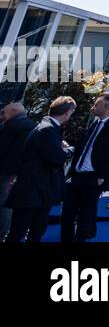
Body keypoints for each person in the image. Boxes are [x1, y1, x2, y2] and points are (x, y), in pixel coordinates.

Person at [57, 92, 109, 242]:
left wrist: (103, 177)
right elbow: (84, 148)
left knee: (85, 215)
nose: (92, 107)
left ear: (107, 107)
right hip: (77, 175)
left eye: (96, 104)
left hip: (94, 178)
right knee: (67, 213)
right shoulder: (95, 123)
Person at [4, 96, 76, 243]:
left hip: (37, 191)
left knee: (30, 230)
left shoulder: (47, 127)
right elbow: (56, 157)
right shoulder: (47, 129)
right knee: (22, 232)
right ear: (67, 113)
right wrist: (70, 150)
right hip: (34, 191)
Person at [0, 102, 36, 239]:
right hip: (16, 172)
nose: (1, 115)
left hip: (5, 172)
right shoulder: (31, 126)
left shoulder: (12, 126)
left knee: (3, 203)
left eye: (3, 112)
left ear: (14, 111)